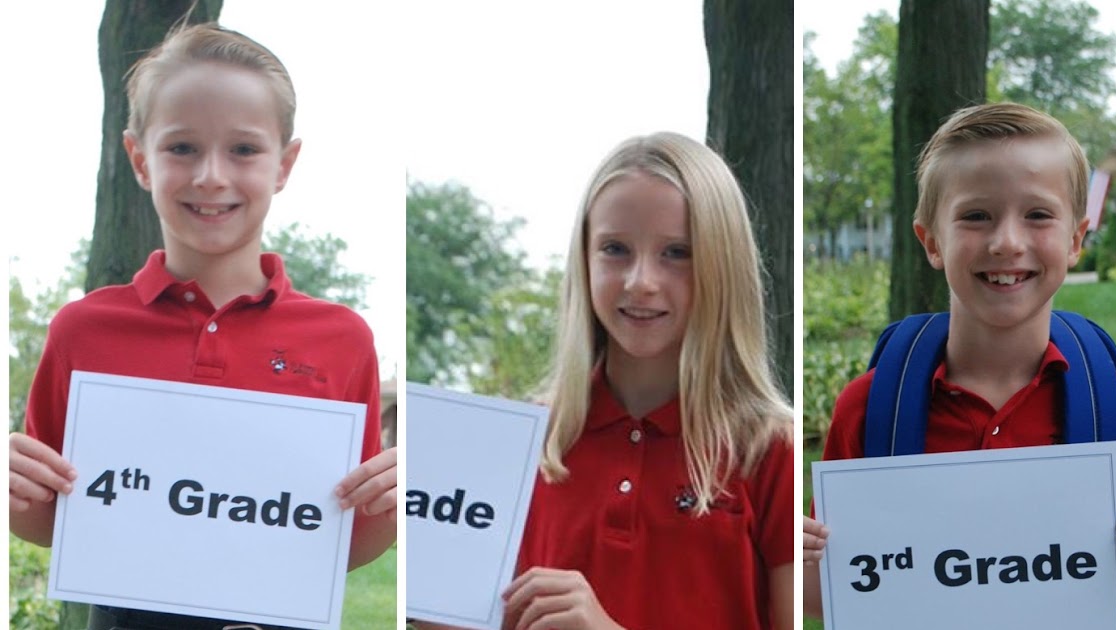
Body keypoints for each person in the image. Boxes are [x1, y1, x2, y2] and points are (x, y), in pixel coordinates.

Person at [8, 22, 397, 630]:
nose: (211, 175)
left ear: (284, 164)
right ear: (139, 159)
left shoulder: (342, 340)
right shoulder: (82, 330)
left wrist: (392, 505)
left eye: (243, 149)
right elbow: (54, 520)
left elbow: (345, 541)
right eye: (182, 147)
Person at [802, 102, 1116, 625]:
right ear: (931, 241)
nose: (1007, 242)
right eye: (976, 215)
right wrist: (796, 563)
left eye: (1037, 214)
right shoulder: (873, 409)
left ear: (1076, 239)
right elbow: (843, 594)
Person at [417, 132, 794, 630]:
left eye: (677, 252)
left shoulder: (769, 449)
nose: (640, 281)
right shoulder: (522, 444)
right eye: (615, 248)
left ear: (723, 264)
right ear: (583, 259)